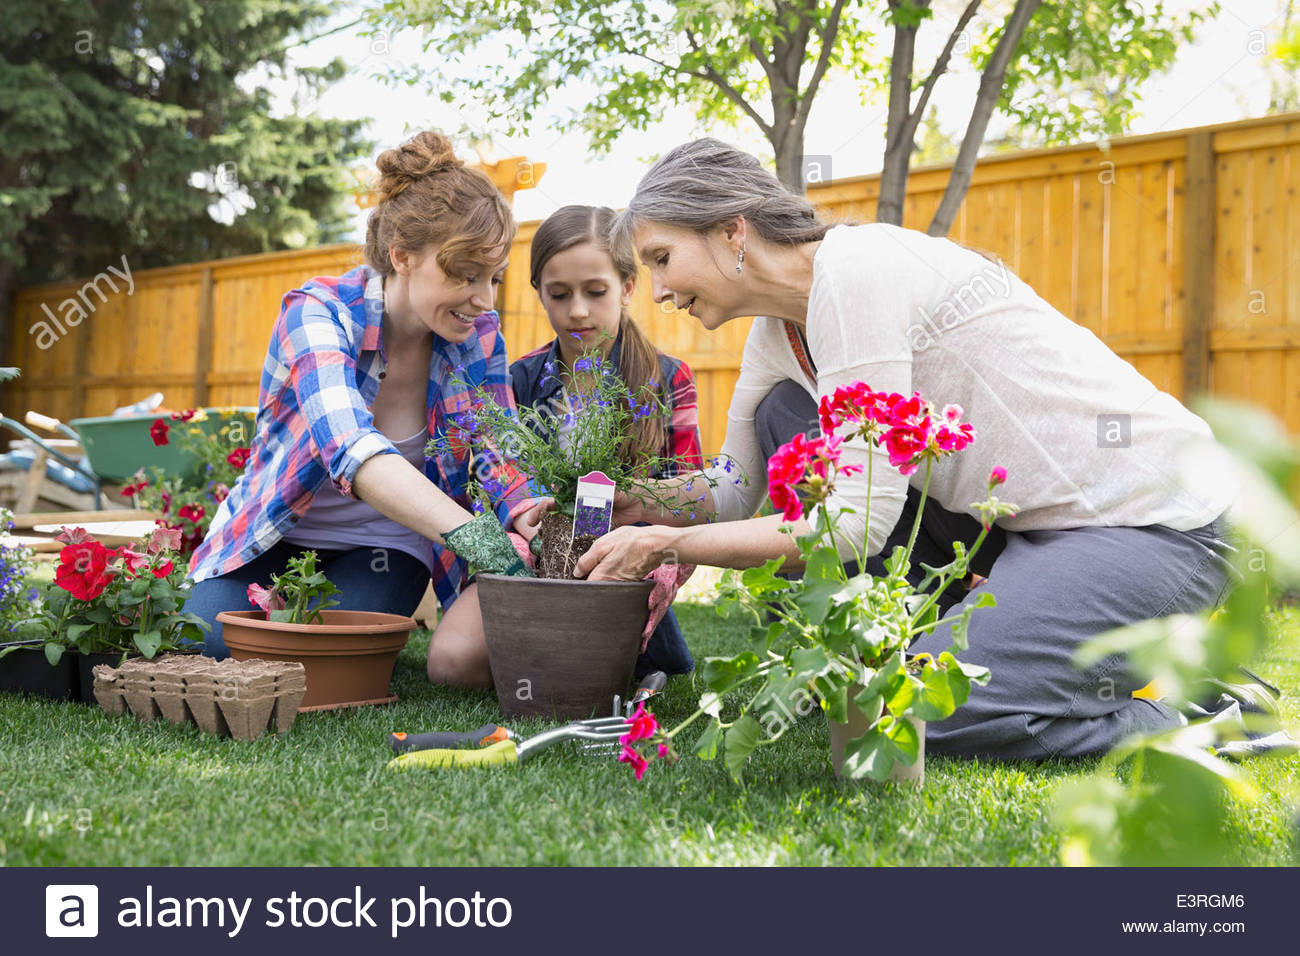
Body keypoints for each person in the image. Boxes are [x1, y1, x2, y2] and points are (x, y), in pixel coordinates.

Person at [573, 137, 1241, 761]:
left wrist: (667, 545)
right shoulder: (778, 333)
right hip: (1014, 521)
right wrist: (645, 503)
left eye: (662, 259)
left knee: (927, 712)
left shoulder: (860, 274)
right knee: (786, 413)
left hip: (1149, 522)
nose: (657, 292)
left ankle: (1193, 717)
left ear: (731, 230)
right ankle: (993, 650)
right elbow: (734, 485)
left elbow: (859, 520)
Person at [186, 130, 536, 657]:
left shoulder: (479, 339)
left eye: (494, 279)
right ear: (402, 257)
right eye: (466, 276)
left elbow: (496, 452)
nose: (484, 300)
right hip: (275, 536)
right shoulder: (317, 312)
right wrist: (477, 539)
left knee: (327, 654)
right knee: (209, 647)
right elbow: (351, 450)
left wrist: (524, 509)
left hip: (384, 548)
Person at [425, 205, 705, 685]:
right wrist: (528, 533)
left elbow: (694, 496)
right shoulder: (519, 380)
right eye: (559, 294)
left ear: (628, 287)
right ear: (540, 294)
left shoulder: (667, 378)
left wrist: (646, 545)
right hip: (536, 553)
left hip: (628, 556)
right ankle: (581, 650)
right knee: (453, 665)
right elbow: (496, 484)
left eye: (596, 292)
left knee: (576, 664)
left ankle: (608, 650)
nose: (578, 310)